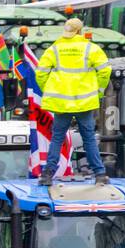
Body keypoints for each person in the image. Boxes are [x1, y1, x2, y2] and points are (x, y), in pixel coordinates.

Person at [35, 17, 109, 185]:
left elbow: (40, 73)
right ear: (80, 31)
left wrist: (49, 90)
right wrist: (98, 92)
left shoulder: (54, 49)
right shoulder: (91, 48)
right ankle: (99, 175)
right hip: (85, 102)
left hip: (62, 103)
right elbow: (105, 71)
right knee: (88, 138)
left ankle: (47, 175)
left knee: (57, 138)